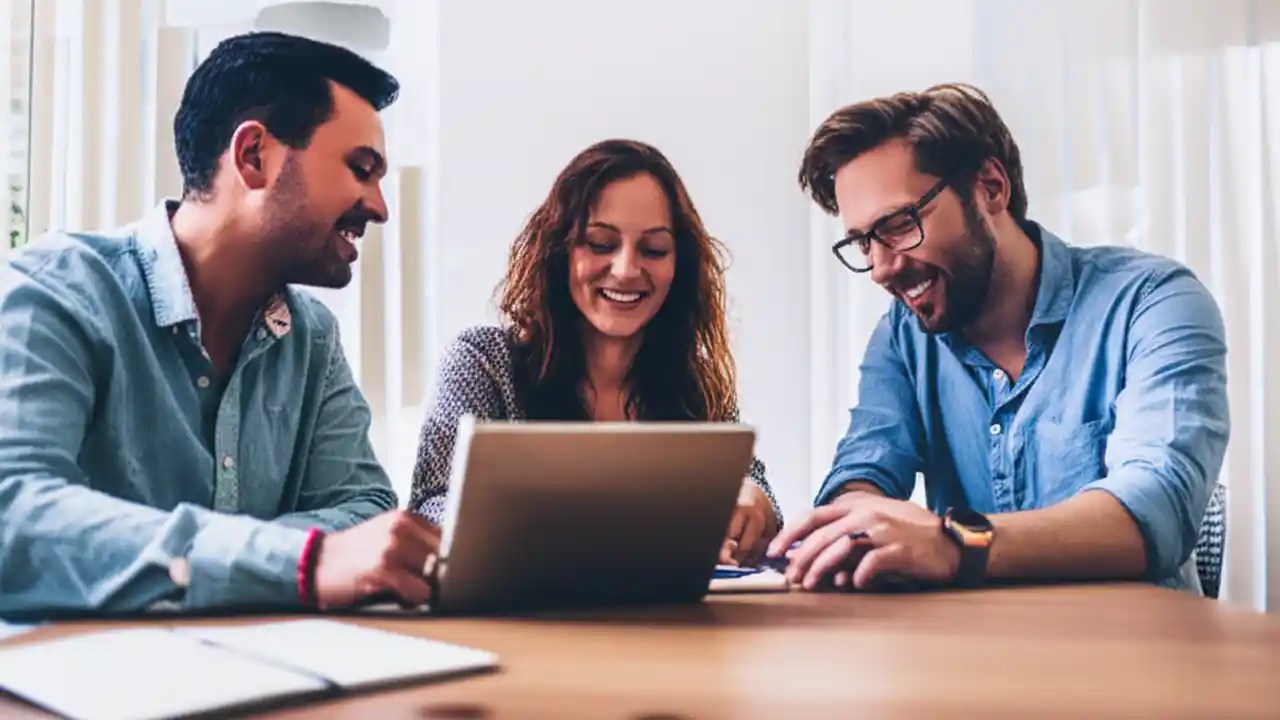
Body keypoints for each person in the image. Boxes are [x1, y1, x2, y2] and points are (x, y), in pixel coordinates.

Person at [0, 32, 440, 616]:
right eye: (361, 169)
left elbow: (362, 506)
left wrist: (244, 562)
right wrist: (298, 563)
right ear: (254, 156)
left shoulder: (313, 338)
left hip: (267, 676)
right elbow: (16, 517)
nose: (380, 206)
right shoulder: (58, 289)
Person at [769, 84, 1229, 593]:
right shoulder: (903, 336)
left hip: (1135, 656)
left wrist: (954, 543)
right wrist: (856, 519)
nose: (879, 268)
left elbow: (1157, 508)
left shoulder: (1152, 302)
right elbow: (865, 468)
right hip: (970, 655)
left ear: (990, 188)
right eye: (862, 243)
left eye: (898, 225)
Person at [409, 139, 781, 566]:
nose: (626, 269)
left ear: (680, 265)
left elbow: (756, 491)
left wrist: (754, 501)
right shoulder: (483, 361)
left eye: (654, 249)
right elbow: (430, 508)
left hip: (665, 625)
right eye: (601, 243)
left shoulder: (691, 379)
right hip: (522, 622)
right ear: (559, 250)